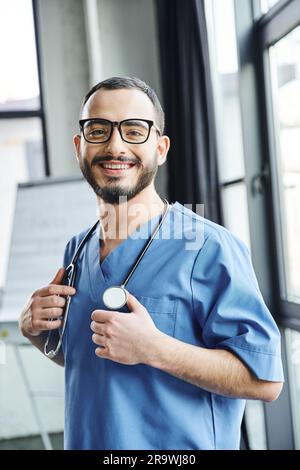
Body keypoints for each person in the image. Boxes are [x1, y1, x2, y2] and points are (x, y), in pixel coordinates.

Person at [19, 76, 284, 450]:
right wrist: (35, 333)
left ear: (160, 148)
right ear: (79, 146)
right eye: (98, 131)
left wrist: (156, 349)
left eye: (133, 130)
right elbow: (96, 365)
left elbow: (266, 381)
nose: (115, 146)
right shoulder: (76, 250)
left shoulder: (208, 247)